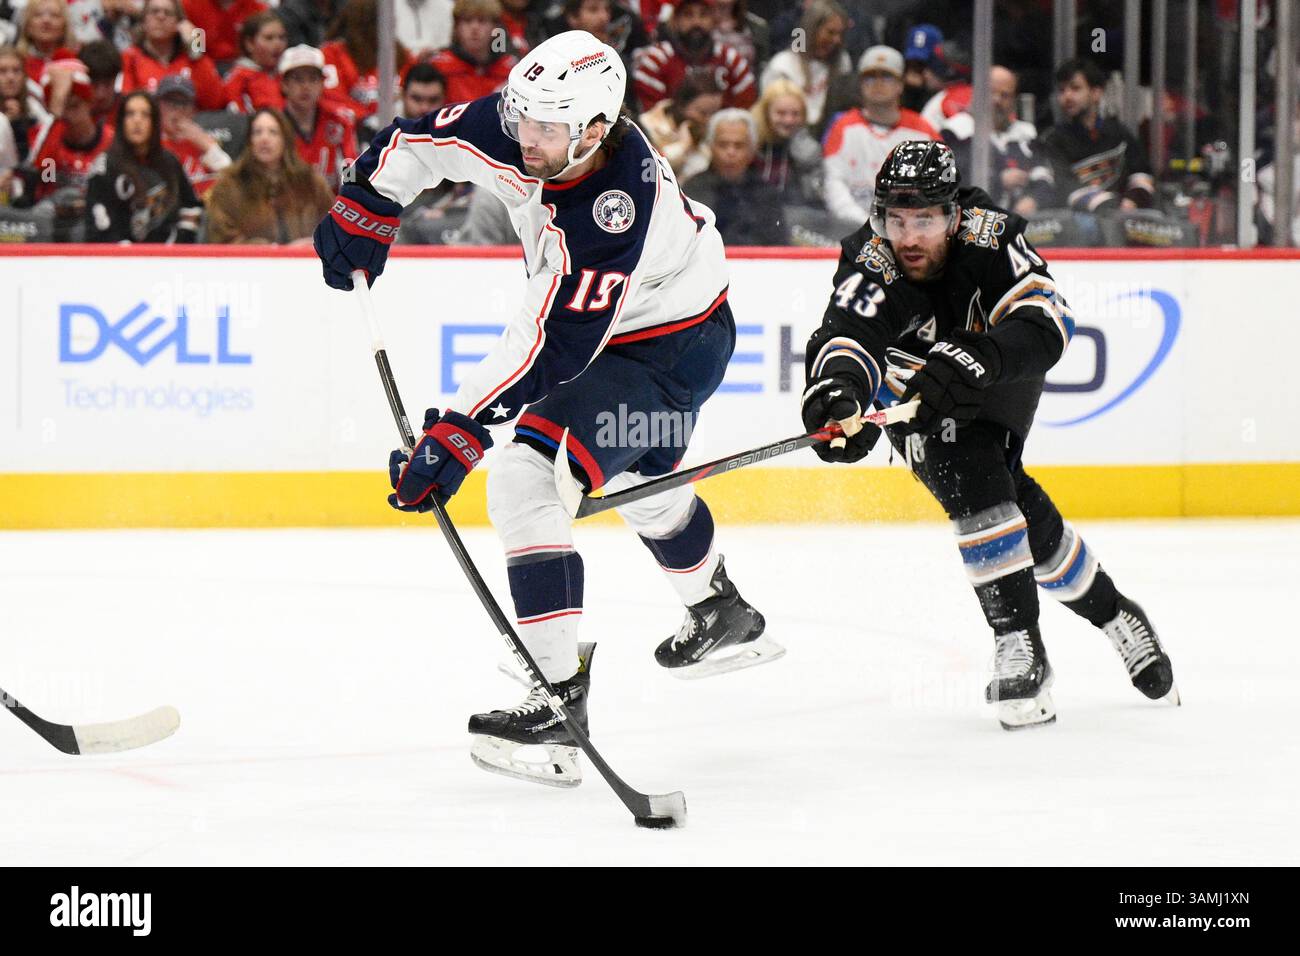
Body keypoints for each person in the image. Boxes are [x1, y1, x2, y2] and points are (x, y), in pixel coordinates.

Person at [312, 30, 781, 788]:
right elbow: (419, 142)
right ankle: (717, 608)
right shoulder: (524, 122)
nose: (523, 138)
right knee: (637, 477)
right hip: (647, 334)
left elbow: (551, 347)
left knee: (527, 474)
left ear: (595, 131)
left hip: (670, 348)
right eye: (520, 118)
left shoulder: (612, 209)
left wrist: (457, 429)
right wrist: (368, 203)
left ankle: (558, 702)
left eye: (546, 129)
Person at [801, 140, 1178, 731]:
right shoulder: (869, 256)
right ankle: (1113, 613)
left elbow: (1050, 323)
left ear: (953, 215)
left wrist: (980, 356)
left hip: (996, 368)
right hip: (913, 385)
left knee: (974, 473)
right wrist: (838, 391)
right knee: (999, 490)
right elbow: (844, 334)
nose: (908, 237)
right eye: (896, 219)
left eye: (924, 219)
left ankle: (1018, 641)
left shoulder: (991, 237)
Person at [821, 45, 935, 228]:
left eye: (887, 76)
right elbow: (833, 184)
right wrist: (868, 225)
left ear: (900, 84)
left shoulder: (923, 131)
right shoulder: (842, 127)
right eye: (870, 77)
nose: (878, 83)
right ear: (860, 84)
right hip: (852, 231)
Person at [1036, 57, 1154, 213]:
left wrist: (1133, 200)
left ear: (1096, 93)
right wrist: (1113, 208)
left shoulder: (1119, 133)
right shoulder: (1052, 140)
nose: (1067, 96)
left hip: (1125, 219)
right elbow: (1066, 188)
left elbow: (1141, 174)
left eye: (1075, 88)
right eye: (1062, 90)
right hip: (1080, 226)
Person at [84, 90, 201, 242]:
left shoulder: (169, 162)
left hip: (169, 257)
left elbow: (191, 205)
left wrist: (182, 240)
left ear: (154, 122)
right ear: (121, 122)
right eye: (130, 114)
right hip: (120, 258)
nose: (137, 121)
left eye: (145, 115)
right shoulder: (105, 167)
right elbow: (98, 225)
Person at [206, 106, 333, 243]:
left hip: (306, 262)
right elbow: (222, 241)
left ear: (285, 140)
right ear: (249, 141)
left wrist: (312, 246)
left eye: (273, 132)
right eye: (257, 132)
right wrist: (273, 251)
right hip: (251, 263)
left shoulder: (311, 184)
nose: (264, 139)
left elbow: (336, 231)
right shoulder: (229, 187)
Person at [940, 65, 1052, 217]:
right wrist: (999, 181)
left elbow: (1044, 173)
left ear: (1014, 100)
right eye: (990, 93)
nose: (997, 100)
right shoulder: (956, 131)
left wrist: (1034, 199)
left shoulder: (1026, 133)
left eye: (1005, 95)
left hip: (1026, 222)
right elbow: (951, 181)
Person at [631, 0, 755, 113]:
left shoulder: (731, 60)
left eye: (703, 15)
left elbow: (746, 111)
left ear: (714, 19)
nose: (696, 22)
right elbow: (651, 118)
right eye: (688, 15)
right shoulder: (655, 61)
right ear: (675, 20)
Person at [685, 107, 786, 245]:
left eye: (738, 145)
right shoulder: (693, 191)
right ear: (710, 146)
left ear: (752, 149)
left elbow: (778, 245)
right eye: (723, 145)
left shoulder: (767, 194)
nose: (730, 152)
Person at [758, 0, 850, 134]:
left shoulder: (843, 62)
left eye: (840, 34)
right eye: (830, 32)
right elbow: (770, 115)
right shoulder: (783, 65)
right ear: (811, 30)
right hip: (788, 135)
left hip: (829, 133)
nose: (837, 40)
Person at [120, 0, 226, 110]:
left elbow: (216, 102)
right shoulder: (130, 57)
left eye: (168, 13)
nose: (161, 17)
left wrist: (196, 48)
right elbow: (125, 104)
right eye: (154, 11)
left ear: (179, 23)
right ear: (143, 21)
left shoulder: (194, 58)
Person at [321, 0, 413, 127]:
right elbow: (332, 99)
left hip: (401, 132)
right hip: (357, 132)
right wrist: (366, 118)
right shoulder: (333, 54)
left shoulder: (402, 56)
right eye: (381, 24)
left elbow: (419, 98)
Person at [279, 45, 358, 191]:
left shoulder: (340, 120)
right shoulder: (273, 124)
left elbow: (350, 163)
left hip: (331, 206)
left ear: (322, 83)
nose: (306, 86)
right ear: (284, 84)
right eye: (298, 79)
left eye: (313, 79)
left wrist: (350, 194)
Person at [421, 0, 518, 104]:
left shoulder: (511, 69)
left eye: (482, 21)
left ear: (495, 27)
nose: (474, 28)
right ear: (456, 27)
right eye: (467, 21)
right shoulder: (438, 65)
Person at [637, 67, 722, 183]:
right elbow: (649, 168)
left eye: (714, 112)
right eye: (703, 113)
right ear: (682, 105)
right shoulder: (646, 126)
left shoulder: (710, 136)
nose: (709, 120)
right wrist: (683, 146)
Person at [156, 73, 230, 197]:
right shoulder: (153, 145)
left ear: (193, 110)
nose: (177, 109)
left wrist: (207, 145)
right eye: (170, 102)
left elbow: (234, 180)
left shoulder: (204, 144)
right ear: (157, 107)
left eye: (183, 103)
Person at [751, 77, 820, 206]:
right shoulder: (750, 145)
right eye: (781, 113)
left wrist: (803, 159)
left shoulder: (811, 152)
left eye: (795, 114)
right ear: (766, 113)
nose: (789, 121)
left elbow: (813, 196)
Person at [223, 10, 289, 113]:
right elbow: (236, 118)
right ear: (249, 44)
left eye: (282, 38)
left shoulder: (288, 74)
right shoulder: (238, 78)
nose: (277, 44)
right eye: (269, 38)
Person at [180, 0, 268, 68]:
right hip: (204, 65)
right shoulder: (191, 6)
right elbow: (194, 51)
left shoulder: (257, 9)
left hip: (245, 67)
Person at [15, 0, 78, 87]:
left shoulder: (76, 60)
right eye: (38, 15)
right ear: (27, 26)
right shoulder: (17, 64)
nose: (46, 20)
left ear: (65, 26)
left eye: (54, 15)